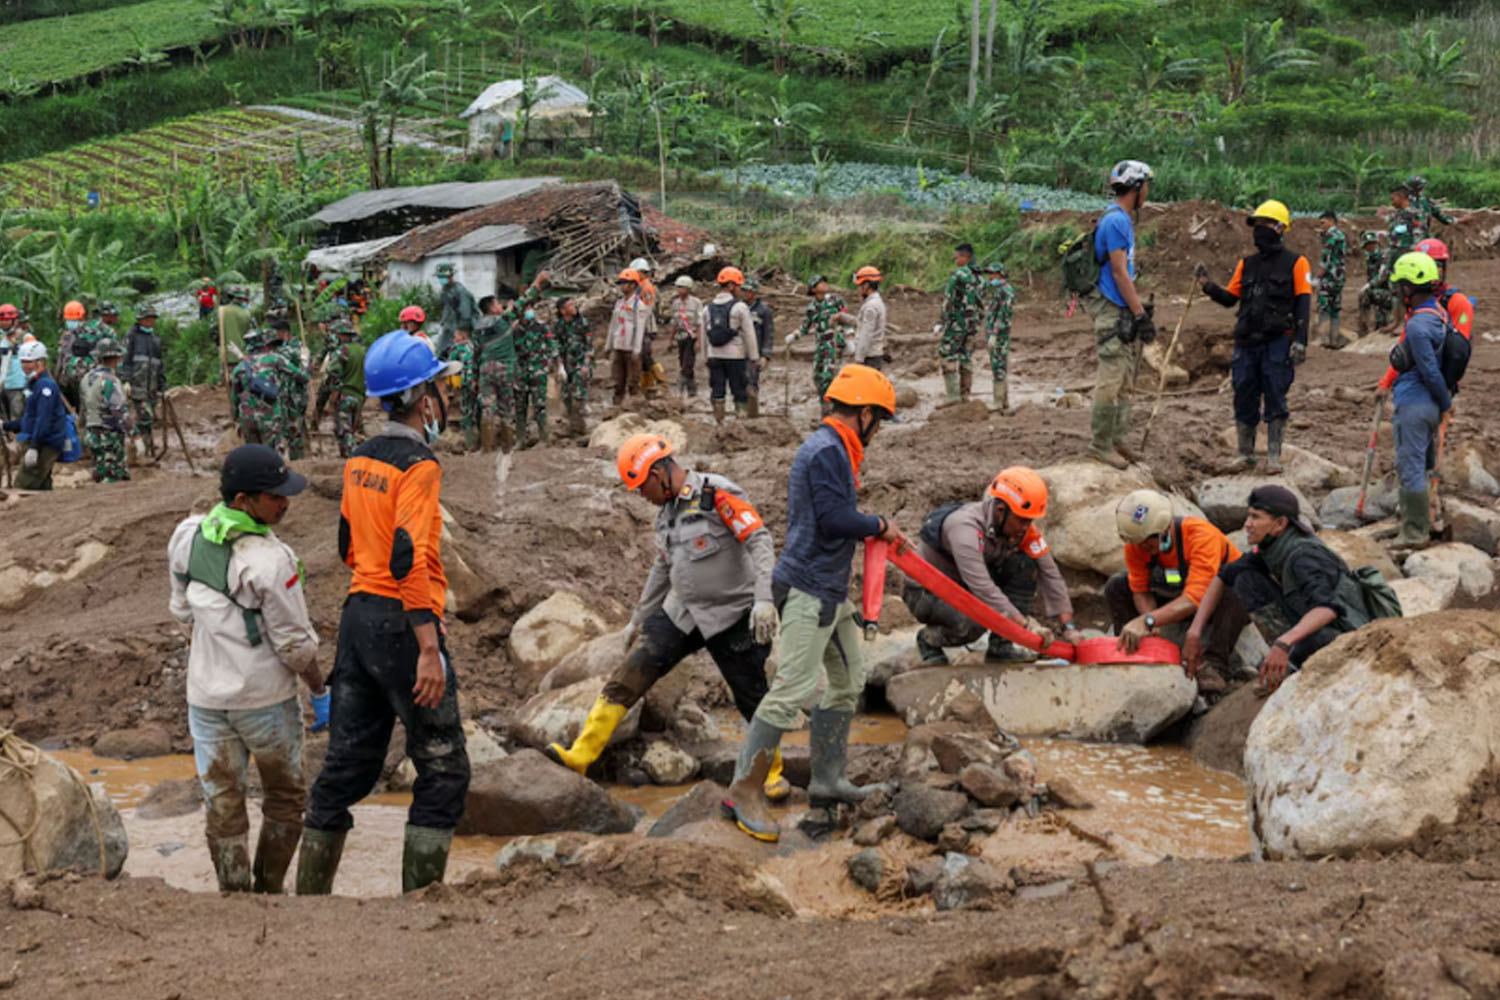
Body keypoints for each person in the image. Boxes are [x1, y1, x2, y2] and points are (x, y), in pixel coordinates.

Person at [299, 331, 469, 896]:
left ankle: (310, 897)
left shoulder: (360, 458)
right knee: (443, 769)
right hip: (403, 624)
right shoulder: (419, 466)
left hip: (357, 620)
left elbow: (349, 546)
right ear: (424, 399)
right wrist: (427, 646)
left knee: (348, 765)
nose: (447, 395)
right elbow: (409, 556)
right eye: (442, 386)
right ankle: (420, 904)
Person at [546, 434, 788, 800]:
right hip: (684, 611)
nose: (641, 495)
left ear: (659, 472)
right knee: (630, 673)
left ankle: (770, 773)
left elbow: (760, 540)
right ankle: (580, 755)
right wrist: (637, 618)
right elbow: (661, 568)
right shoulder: (665, 517)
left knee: (751, 694)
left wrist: (763, 599)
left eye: (642, 486)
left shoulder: (717, 494)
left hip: (732, 613)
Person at [721, 364, 905, 843]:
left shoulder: (837, 450)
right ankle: (743, 791)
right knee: (792, 689)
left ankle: (826, 779)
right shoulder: (826, 451)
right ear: (864, 413)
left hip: (829, 590)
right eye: (879, 419)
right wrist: (878, 524)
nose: (879, 430)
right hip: (806, 589)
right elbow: (833, 518)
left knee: (848, 682)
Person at [168, 445, 324, 893]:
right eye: (274, 495)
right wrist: (317, 689)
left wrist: (213, 650)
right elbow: (294, 646)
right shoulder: (271, 560)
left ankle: (233, 896)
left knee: (222, 801)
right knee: (286, 798)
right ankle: (269, 890)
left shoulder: (187, 535)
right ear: (243, 502)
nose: (285, 501)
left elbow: (181, 611)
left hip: (205, 701)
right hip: (265, 702)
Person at [1185, 485, 1371, 694]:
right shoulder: (1273, 547)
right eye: (1249, 516)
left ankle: (1290, 662)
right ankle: (1288, 658)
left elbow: (1328, 608)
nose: (1247, 525)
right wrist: (1194, 632)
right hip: (1310, 625)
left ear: (1280, 523)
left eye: (1255, 517)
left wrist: (1283, 643)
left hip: (1345, 637)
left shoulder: (1303, 556)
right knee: (1245, 578)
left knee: (1312, 641)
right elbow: (1223, 575)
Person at [902, 466, 1076, 666]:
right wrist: (1026, 627)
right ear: (1001, 511)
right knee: (976, 621)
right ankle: (928, 640)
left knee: (1024, 565)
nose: (1025, 528)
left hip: (963, 585)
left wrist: (1069, 627)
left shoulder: (1021, 529)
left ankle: (1001, 646)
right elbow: (982, 587)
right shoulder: (964, 529)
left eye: (1029, 521)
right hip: (926, 592)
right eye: (1021, 521)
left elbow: (1050, 572)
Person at [1197, 200, 1312, 475]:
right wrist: (1206, 285)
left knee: (1275, 394)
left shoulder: (1296, 262)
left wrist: (1301, 341)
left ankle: (1273, 456)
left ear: (1280, 228)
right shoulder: (1246, 264)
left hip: (1278, 341)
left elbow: (1304, 303)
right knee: (1244, 393)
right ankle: (1245, 454)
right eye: (1256, 225)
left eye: (1264, 225)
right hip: (1247, 342)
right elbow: (1229, 298)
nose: (1259, 231)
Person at [1107, 489, 1246, 696]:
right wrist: (1150, 623)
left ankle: (1214, 665)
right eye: (1138, 543)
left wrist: (1148, 621)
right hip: (1175, 593)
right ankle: (1131, 649)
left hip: (1216, 602)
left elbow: (1197, 597)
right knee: (1117, 585)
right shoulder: (1137, 545)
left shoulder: (1200, 535)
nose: (1143, 547)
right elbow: (1141, 590)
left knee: (1238, 585)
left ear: (1164, 528)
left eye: (1148, 541)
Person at [1382, 252, 1456, 548]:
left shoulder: (1416, 326)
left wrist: (1446, 404)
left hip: (1415, 404)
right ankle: (1426, 520)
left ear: (1409, 288)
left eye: (1400, 285)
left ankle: (1413, 533)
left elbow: (1429, 370)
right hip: (1430, 406)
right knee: (1424, 465)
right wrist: (1444, 403)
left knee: (1410, 466)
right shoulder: (1439, 313)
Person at [1086, 160, 1156, 468]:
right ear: (1136, 187)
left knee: (1126, 376)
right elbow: (1118, 272)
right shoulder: (1115, 222)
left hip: (1122, 307)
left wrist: (1137, 309)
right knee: (1111, 376)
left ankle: (1118, 439)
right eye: (1147, 186)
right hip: (1112, 308)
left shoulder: (1124, 220)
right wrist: (1140, 313)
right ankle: (1100, 444)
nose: (1149, 192)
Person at [1376, 238, 1474, 397]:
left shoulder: (1457, 302)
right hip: (1415, 380)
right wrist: (1385, 383)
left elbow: (1457, 353)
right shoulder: (1416, 302)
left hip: (1442, 380)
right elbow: (1405, 347)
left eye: (1437, 265)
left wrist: (1445, 390)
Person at [2, 341, 67, 490]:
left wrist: (34, 447)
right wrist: (6, 426)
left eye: (29, 362)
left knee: (24, 486)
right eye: (23, 362)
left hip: (45, 443)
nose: (25, 366)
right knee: (42, 487)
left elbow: (44, 419)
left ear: (40, 362)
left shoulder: (45, 386)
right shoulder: (33, 385)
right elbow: (30, 419)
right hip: (38, 440)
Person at [700, 266, 760, 422]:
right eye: (739, 286)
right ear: (731, 286)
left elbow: (703, 336)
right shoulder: (740, 307)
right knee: (739, 389)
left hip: (714, 355)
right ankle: (740, 422)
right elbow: (749, 334)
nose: (740, 290)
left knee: (717, 390)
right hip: (735, 355)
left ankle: (719, 423)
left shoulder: (707, 308)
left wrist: (705, 356)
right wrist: (754, 357)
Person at [785, 275, 847, 401]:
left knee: (829, 376)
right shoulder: (812, 308)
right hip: (821, 346)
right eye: (820, 283)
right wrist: (793, 336)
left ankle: (832, 405)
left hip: (834, 344)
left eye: (825, 281)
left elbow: (846, 316)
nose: (824, 284)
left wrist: (849, 336)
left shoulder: (835, 300)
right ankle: (825, 402)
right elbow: (805, 327)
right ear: (813, 289)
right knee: (817, 376)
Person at [80, 338, 133, 484]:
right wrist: (135, 434)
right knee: (112, 477)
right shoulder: (110, 380)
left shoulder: (86, 378)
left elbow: (84, 406)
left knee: (99, 470)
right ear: (117, 358)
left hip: (91, 431)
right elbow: (119, 410)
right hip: (108, 434)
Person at [937, 243, 983, 405]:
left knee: (947, 354)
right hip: (972, 324)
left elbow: (948, 301)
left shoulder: (958, 275)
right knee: (966, 357)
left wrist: (942, 321)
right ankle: (965, 395)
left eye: (957, 257)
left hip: (956, 323)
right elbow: (982, 303)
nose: (955, 260)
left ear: (965, 257)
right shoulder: (979, 276)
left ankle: (952, 396)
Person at [121, 305, 166, 461]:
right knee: (145, 416)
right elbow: (125, 360)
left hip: (151, 387)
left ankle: (143, 448)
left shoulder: (155, 339)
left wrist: (162, 384)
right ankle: (141, 450)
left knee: (148, 418)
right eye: (147, 318)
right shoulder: (132, 337)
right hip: (137, 385)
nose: (150, 322)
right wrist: (125, 380)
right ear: (140, 320)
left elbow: (159, 364)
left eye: (152, 319)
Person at [511, 303, 559, 447]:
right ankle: (520, 439)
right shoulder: (514, 330)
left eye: (529, 308)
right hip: (520, 373)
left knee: (539, 405)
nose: (529, 311)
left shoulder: (541, 326)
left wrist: (556, 364)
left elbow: (552, 344)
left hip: (538, 371)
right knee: (520, 406)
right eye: (526, 309)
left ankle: (544, 439)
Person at [609, 269, 651, 409]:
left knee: (633, 381)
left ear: (633, 285)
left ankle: (633, 410)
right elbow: (613, 325)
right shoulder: (619, 304)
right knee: (617, 381)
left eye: (625, 283)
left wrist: (636, 350)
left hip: (631, 347)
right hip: (618, 345)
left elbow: (640, 329)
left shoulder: (638, 306)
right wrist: (609, 345)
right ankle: (617, 408)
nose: (622, 286)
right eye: (621, 283)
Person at [324, 321, 367, 458]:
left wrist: (331, 401)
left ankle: (352, 459)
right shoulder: (363, 351)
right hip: (359, 397)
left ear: (342, 335)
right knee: (351, 431)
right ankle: (347, 459)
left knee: (345, 432)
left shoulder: (342, 351)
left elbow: (334, 375)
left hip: (345, 396)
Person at [269, 317, 310, 460]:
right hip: (284, 394)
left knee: (294, 430)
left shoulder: (293, 349)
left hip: (295, 395)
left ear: (284, 333)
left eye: (277, 333)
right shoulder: (282, 348)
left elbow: (303, 374)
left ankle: (298, 461)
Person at [837, 266, 889, 373]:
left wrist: (859, 359)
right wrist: (842, 317)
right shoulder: (876, 303)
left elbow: (866, 334)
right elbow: (861, 323)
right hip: (874, 355)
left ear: (866, 286)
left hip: (869, 357)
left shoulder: (871, 307)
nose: (858, 290)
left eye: (859, 286)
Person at [980, 257, 1015, 411]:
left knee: (998, 364)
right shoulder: (998, 291)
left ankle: (999, 401)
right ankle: (1003, 401)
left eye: (993, 274)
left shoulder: (1006, 291)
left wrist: (995, 332)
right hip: (994, 332)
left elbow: (1004, 314)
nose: (990, 277)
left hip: (1000, 334)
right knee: (997, 365)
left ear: (1000, 274)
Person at [555, 298, 593, 437]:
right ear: (563, 310)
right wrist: (560, 366)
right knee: (566, 396)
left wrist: (586, 365)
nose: (574, 306)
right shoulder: (559, 326)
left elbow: (589, 346)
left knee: (578, 395)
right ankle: (572, 425)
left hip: (580, 364)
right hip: (566, 366)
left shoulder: (582, 323)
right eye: (570, 305)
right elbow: (556, 347)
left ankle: (580, 429)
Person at [1381, 184, 1426, 299]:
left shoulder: (1415, 214)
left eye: (1393, 199)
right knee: (1393, 287)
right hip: (1394, 255)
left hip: (1407, 255)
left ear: (1401, 197)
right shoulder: (1397, 215)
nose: (1392, 202)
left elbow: (1419, 236)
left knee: (1408, 286)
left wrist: (1414, 256)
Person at [629, 258, 666, 394]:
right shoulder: (638, 287)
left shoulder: (646, 287)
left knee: (646, 355)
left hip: (646, 327)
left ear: (641, 272)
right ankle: (647, 385)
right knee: (642, 357)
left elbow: (648, 309)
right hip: (638, 326)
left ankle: (661, 382)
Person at [1314, 211, 1348, 349]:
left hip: (1329, 278)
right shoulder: (1340, 236)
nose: (1321, 226)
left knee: (1323, 307)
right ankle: (1334, 340)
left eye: (1323, 223)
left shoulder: (1331, 237)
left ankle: (1323, 339)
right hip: (1339, 278)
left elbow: (1325, 260)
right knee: (1335, 308)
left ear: (1331, 221)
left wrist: (1317, 278)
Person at [742, 278, 775, 413]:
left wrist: (766, 355)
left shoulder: (764, 311)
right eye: (744, 290)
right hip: (738, 351)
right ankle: (741, 413)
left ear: (754, 293)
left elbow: (769, 333)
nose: (745, 293)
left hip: (755, 352)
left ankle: (752, 413)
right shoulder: (739, 308)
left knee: (752, 381)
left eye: (748, 291)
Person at [668, 275, 703, 399]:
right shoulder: (676, 303)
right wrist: (671, 340)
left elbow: (699, 323)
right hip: (680, 336)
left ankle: (680, 387)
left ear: (688, 289)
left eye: (681, 287)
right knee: (683, 361)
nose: (679, 290)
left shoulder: (696, 303)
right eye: (678, 287)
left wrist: (699, 340)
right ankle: (692, 389)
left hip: (691, 336)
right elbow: (674, 323)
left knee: (687, 363)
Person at [433, 262, 477, 358]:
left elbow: (466, 314)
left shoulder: (461, 292)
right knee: (441, 350)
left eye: (443, 277)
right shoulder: (445, 290)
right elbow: (447, 308)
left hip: (462, 328)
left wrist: (461, 330)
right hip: (449, 326)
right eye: (439, 277)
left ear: (450, 276)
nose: (441, 279)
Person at [55, 299, 90, 411]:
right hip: (66, 380)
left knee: (83, 410)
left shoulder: (90, 334)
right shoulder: (66, 335)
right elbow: (62, 356)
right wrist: (57, 377)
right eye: (69, 320)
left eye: (74, 320)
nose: (71, 322)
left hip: (83, 380)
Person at [1356, 230, 1393, 334]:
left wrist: (1368, 286)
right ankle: (1364, 328)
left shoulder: (1384, 257)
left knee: (1367, 294)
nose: (1370, 248)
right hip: (1379, 292)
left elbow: (1382, 277)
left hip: (1391, 294)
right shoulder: (1370, 259)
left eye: (1372, 244)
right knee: (1365, 295)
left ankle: (1381, 325)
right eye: (1368, 246)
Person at [0, 305, 31, 421]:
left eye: (6, 320)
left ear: (14, 321)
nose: (3, 323)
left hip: (18, 385)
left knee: (16, 419)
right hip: (3, 385)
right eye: (1, 320)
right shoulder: (2, 338)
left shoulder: (25, 338)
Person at [218, 288, 254, 360]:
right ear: (243, 299)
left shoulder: (221, 310)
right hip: (242, 355)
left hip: (226, 355)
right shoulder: (246, 313)